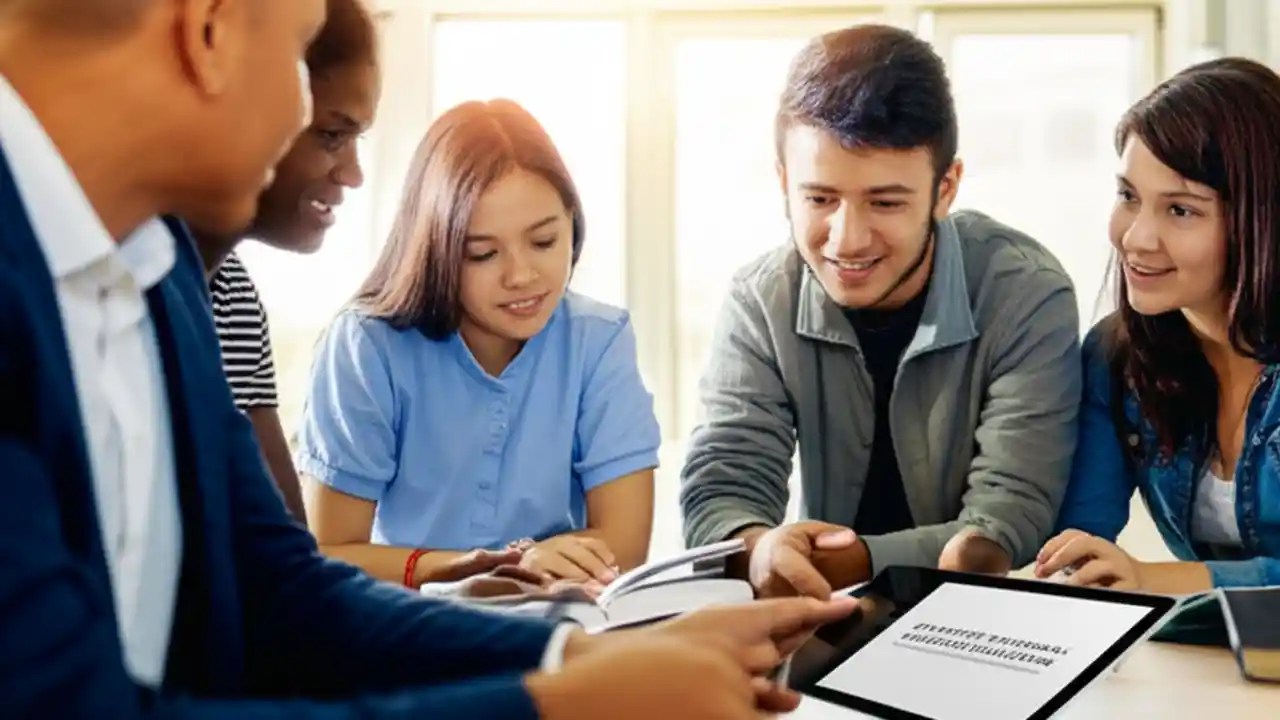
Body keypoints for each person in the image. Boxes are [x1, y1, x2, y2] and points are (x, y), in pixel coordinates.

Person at [0, 1, 857, 717]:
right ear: (210, 31)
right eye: (299, 53)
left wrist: (581, 653)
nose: (340, 160)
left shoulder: (165, 276)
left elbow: (282, 592)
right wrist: (559, 704)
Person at [680, 23, 1082, 599]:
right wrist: (760, 547)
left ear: (946, 188)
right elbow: (723, 488)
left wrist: (832, 564)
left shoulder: (1025, 293)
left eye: (885, 202)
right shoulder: (760, 299)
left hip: (977, 616)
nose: (846, 240)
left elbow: (1009, 515)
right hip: (818, 616)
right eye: (819, 198)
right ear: (783, 181)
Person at [295, 98, 660, 589]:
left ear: (572, 223)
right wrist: (494, 564)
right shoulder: (368, 347)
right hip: (410, 618)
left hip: (557, 617)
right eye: (483, 254)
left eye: (545, 242)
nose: (522, 276)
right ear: (434, 249)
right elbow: (330, 552)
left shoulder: (598, 339)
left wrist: (531, 566)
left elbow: (626, 547)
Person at [1036, 58, 1280, 593]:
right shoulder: (1116, 355)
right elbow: (1080, 538)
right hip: (1209, 641)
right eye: (1129, 196)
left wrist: (1154, 579)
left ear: (1262, 220)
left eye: (1181, 210)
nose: (1136, 238)